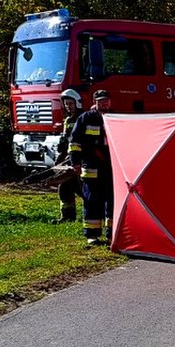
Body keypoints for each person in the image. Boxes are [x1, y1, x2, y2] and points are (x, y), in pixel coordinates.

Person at [70, 90, 114, 246]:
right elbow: (75, 142)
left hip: (111, 167)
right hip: (92, 166)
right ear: (95, 102)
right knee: (92, 200)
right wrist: (75, 162)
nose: (105, 104)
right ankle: (92, 235)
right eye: (102, 101)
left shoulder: (115, 118)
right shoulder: (86, 118)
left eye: (107, 100)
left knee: (112, 201)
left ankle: (112, 234)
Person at [54, 89, 82, 224]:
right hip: (67, 159)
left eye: (71, 103)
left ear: (77, 103)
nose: (68, 107)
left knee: (82, 188)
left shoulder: (83, 118)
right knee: (64, 186)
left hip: (79, 160)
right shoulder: (67, 120)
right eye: (66, 104)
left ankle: (94, 215)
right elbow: (65, 139)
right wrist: (60, 156)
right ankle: (67, 216)